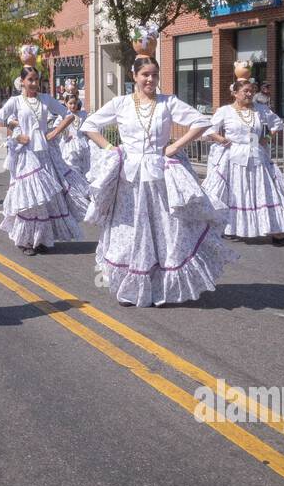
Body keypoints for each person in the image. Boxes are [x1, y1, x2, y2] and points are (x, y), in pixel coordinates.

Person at [81, 42, 235, 307]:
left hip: (160, 176)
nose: (150, 79)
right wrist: (110, 148)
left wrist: (175, 145)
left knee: (164, 231)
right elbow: (89, 124)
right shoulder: (120, 103)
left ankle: (160, 285)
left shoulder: (168, 103)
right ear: (135, 76)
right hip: (129, 178)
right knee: (132, 231)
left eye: (154, 75)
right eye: (145, 75)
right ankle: (131, 287)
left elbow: (201, 121)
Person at [0, 45, 90, 256]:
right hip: (26, 155)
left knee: (46, 199)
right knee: (30, 198)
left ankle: (43, 239)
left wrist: (54, 133)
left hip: (45, 154)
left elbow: (68, 115)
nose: (34, 83)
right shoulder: (15, 101)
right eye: (30, 80)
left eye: (36, 79)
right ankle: (27, 240)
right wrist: (15, 133)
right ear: (22, 82)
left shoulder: (46, 99)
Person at [203, 66, 284, 245]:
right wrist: (221, 139)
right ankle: (230, 226)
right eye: (245, 91)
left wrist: (265, 138)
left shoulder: (261, 109)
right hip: (233, 157)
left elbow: (277, 124)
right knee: (235, 193)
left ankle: (276, 230)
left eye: (252, 91)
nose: (249, 94)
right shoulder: (225, 111)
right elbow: (209, 129)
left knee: (263, 191)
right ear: (235, 93)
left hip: (256, 156)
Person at [56, 94, 91, 176]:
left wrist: (87, 135)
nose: (73, 106)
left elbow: (88, 126)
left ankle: (83, 183)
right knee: (71, 163)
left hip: (82, 143)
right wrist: (64, 132)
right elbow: (56, 128)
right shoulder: (63, 116)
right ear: (66, 103)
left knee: (84, 166)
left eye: (74, 103)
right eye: (70, 103)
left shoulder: (82, 114)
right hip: (69, 144)